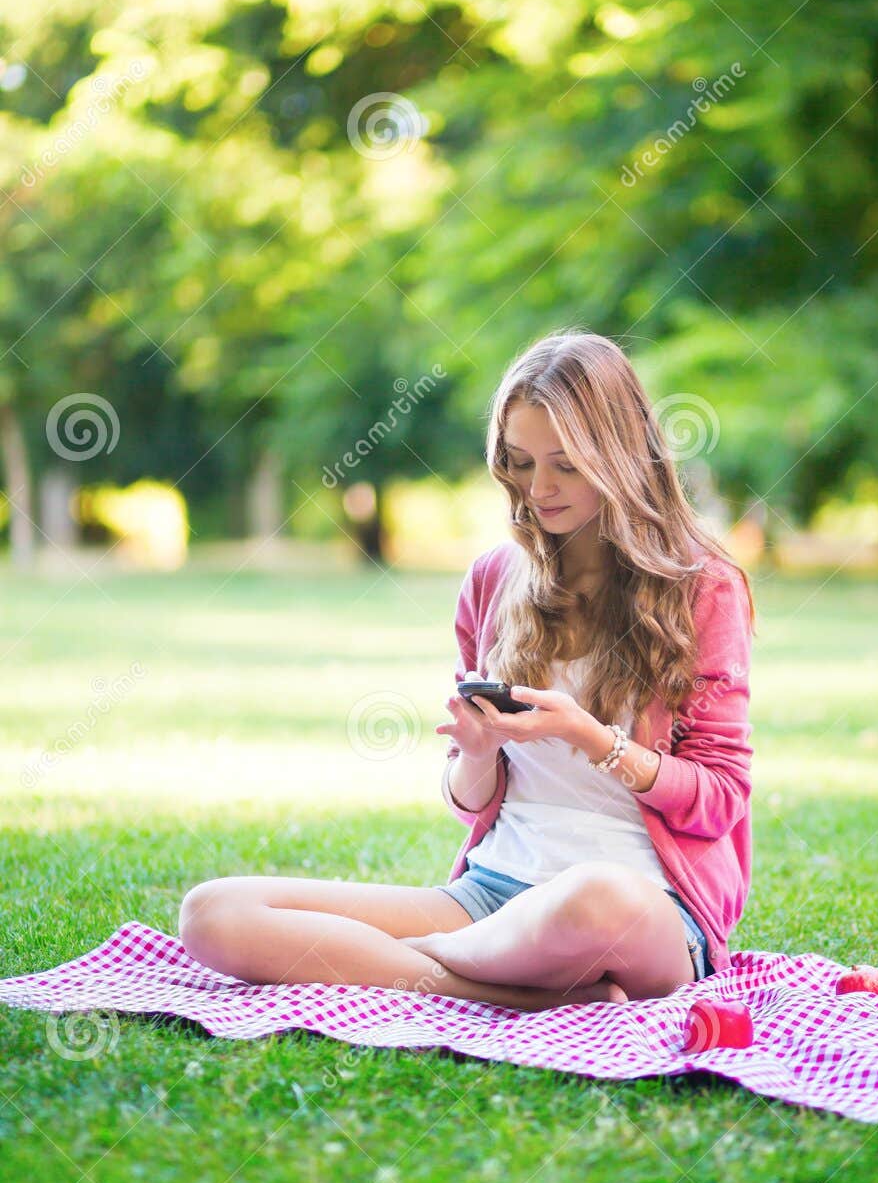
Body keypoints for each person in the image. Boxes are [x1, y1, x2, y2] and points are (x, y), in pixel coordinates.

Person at [179, 330, 753, 1011]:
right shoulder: (493, 581)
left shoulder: (701, 585)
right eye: (518, 462)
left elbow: (719, 796)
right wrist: (477, 755)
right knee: (213, 912)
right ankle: (518, 994)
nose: (537, 489)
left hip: (641, 905)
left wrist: (594, 740)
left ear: (620, 456)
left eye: (564, 465)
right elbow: (469, 800)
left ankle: (399, 968)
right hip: (490, 894)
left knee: (596, 899)